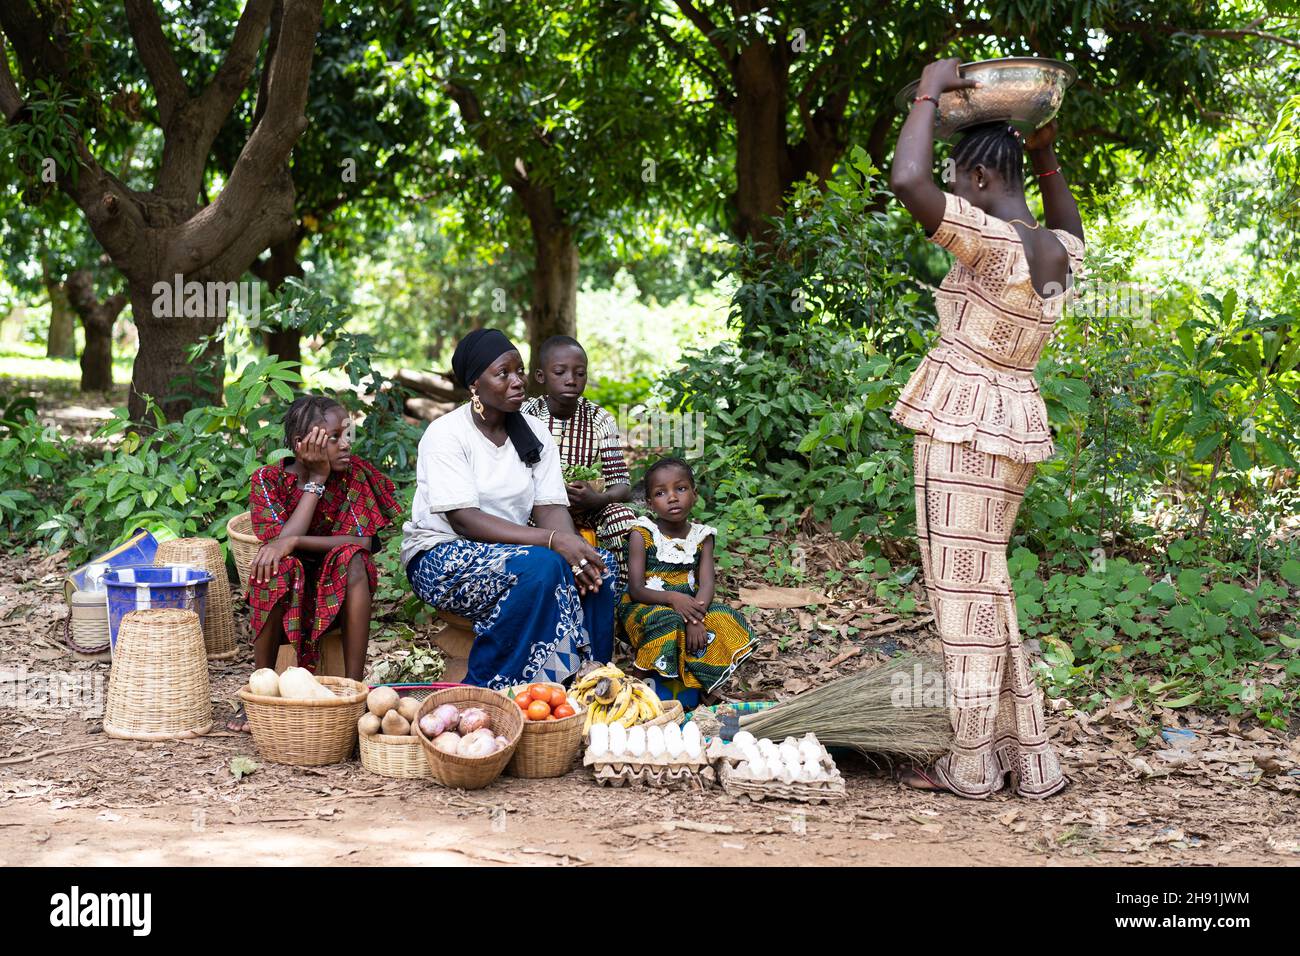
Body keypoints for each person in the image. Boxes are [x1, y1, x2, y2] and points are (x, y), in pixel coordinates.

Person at [888, 57, 1086, 798]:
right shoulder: (1056, 253)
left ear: (973, 182)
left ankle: (971, 762)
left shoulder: (988, 241)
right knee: (987, 585)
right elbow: (1067, 221)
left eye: (958, 175)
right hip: (1013, 422)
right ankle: (1023, 755)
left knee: (961, 593)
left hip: (965, 422)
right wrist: (1045, 152)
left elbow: (909, 183)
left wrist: (933, 91)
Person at [402, 328, 619, 688]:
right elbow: (464, 520)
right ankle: (494, 686)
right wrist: (553, 542)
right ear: (474, 384)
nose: (518, 381)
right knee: (542, 566)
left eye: (519, 371)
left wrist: (575, 552)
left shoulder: (532, 433)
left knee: (599, 567)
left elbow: (550, 507)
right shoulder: (446, 435)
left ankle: (589, 684)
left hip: (513, 550)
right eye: (503, 374)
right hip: (440, 556)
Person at [229, 395, 401, 732]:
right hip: (285, 596)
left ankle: (354, 692)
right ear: (301, 444)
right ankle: (258, 691)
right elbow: (279, 545)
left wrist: (294, 541)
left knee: (353, 559)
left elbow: (362, 541)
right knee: (276, 566)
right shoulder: (268, 481)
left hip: (337, 594)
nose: (345, 445)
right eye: (333, 438)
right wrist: (316, 482)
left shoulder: (354, 475)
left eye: (347, 434)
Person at [617, 458, 754, 709]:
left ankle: (703, 683)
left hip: (692, 606)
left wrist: (695, 618)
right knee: (669, 622)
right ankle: (639, 687)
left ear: (694, 494)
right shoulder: (642, 533)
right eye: (660, 493)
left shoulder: (702, 537)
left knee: (724, 617)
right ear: (649, 503)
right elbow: (636, 589)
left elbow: (707, 584)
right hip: (647, 604)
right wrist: (672, 599)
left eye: (680, 489)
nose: (672, 497)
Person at [521, 335, 636, 576]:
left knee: (623, 518)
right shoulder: (526, 414)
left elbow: (622, 486)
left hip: (588, 508)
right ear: (541, 377)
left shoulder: (599, 419)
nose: (571, 380)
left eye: (579, 373)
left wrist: (597, 499)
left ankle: (623, 592)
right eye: (560, 372)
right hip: (537, 510)